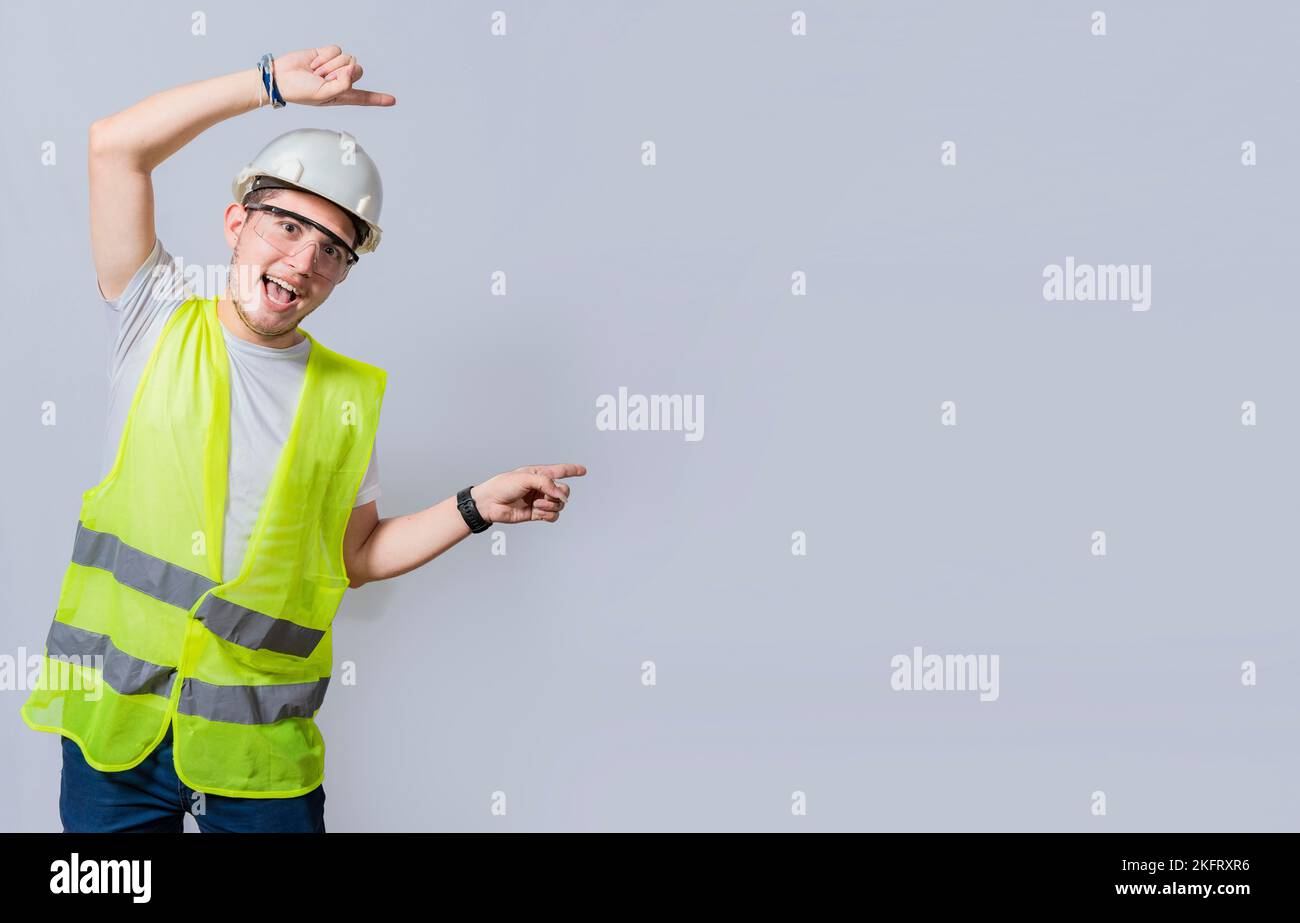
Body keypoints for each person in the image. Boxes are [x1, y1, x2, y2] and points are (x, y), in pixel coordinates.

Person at [20, 45, 587, 833]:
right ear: (236, 224)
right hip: (115, 737)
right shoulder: (155, 315)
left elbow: (354, 558)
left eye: (332, 248)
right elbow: (115, 145)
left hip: (256, 749)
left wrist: (474, 506)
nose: (302, 259)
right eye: (286, 225)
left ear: (345, 273)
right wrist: (266, 88)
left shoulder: (348, 398)